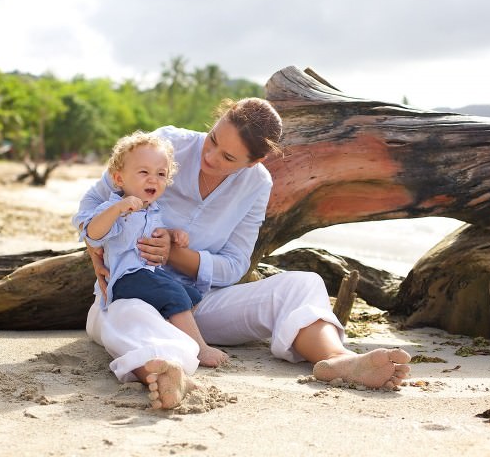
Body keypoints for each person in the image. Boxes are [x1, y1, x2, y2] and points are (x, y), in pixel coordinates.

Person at [73, 97, 411, 410]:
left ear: (254, 162)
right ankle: (168, 371)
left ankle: (337, 359)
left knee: (304, 284)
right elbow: (91, 205)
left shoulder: (257, 184)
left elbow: (235, 265)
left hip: (199, 308)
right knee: (126, 313)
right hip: (128, 295)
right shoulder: (163, 146)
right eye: (213, 140)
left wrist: (173, 253)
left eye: (228, 158)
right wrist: (96, 251)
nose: (210, 157)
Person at [80, 131, 228, 367]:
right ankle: (200, 349)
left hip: (147, 273)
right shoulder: (114, 208)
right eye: (144, 172)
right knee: (173, 295)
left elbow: (149, 233)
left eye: (161, 174)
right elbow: (93, 234)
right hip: (125, 277)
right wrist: (117, 209)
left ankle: (168, 332)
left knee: (190, 295)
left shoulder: (152, 209)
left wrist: (172, 234)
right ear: (119, 178)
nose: (153, 179)